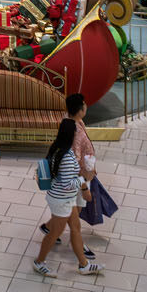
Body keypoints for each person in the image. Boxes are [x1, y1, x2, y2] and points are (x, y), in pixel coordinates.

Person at [33, 115, 101, 276]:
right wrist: (85, 178)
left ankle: (84, 264)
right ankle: (39, 262)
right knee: (54, 233)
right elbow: (67, 184)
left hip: (60, 197)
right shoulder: (68, 157)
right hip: (62, 201)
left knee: (75, 229)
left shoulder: (57, 148)